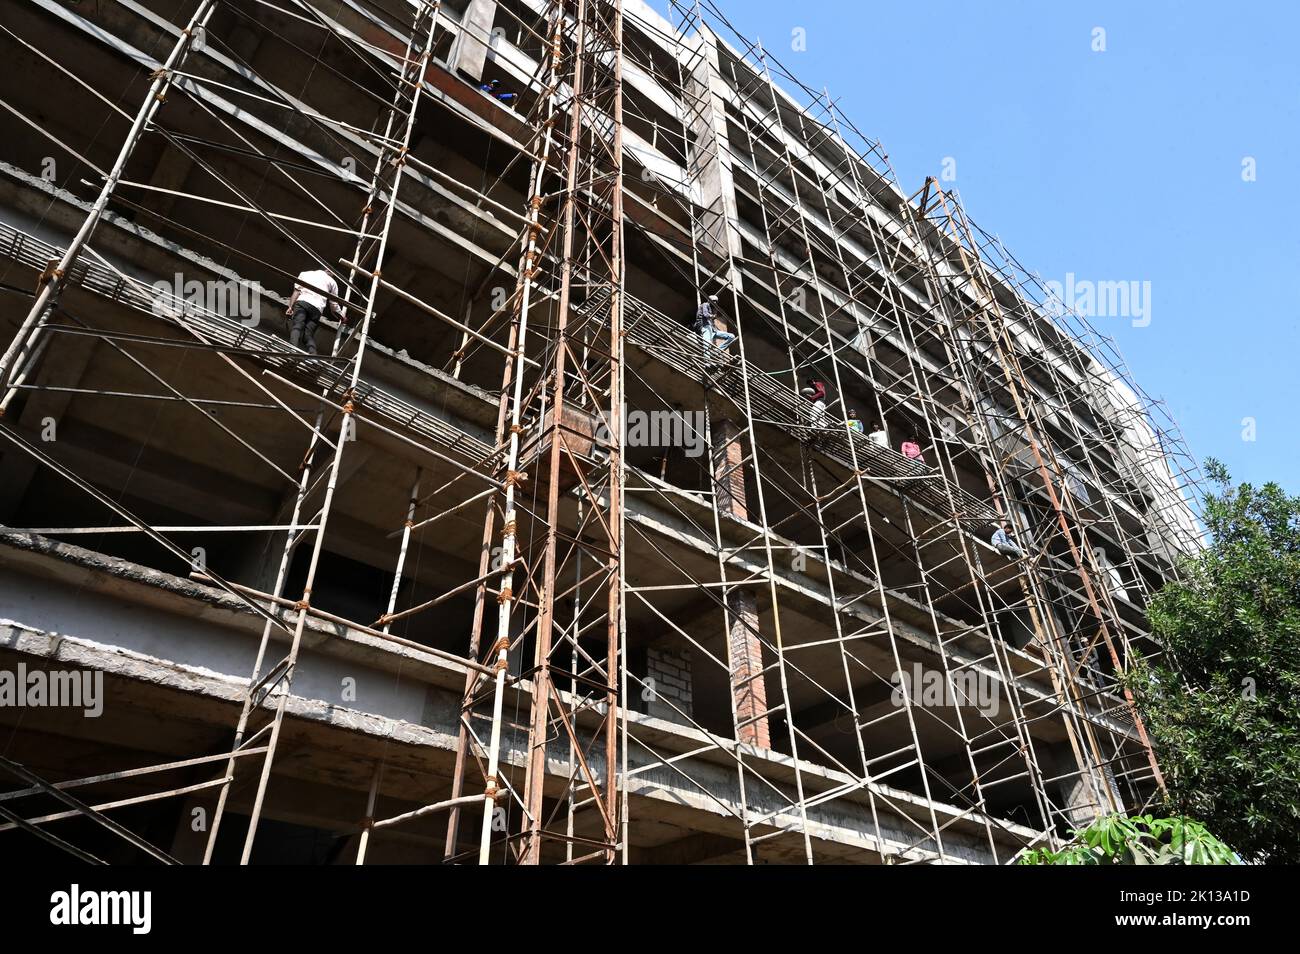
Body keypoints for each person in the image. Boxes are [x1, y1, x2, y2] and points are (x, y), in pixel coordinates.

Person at [286, 267, 345, 355]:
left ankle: (292, 350)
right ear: (330, 272)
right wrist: (342, 316)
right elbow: (334, 304)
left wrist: (290, 307)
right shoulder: (332, 282)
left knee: (297, 325)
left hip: (303, 303)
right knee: (308, 335)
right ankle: (313, 356)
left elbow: (296, 292)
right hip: (316, 309)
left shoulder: (305, 273)